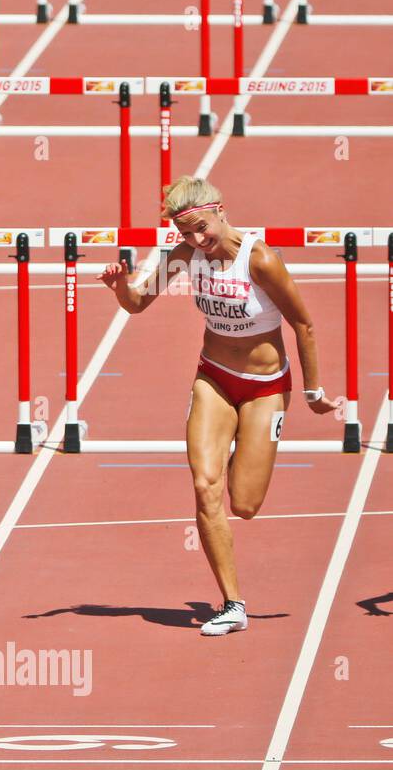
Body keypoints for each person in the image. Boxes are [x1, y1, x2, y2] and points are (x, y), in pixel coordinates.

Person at [98, 176, 339, 636]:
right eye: (186, 234)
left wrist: (312, 392)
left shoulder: (261, 259)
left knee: (244, 504)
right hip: (214, 378)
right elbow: (136, 305)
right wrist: (120, 285)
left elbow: (303, 325)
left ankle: (248, 444)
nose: (196, 240)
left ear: (221, 211)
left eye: (201, 229)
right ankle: (232, 604)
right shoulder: (187, 256)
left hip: (266, 387)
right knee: (205, 485)